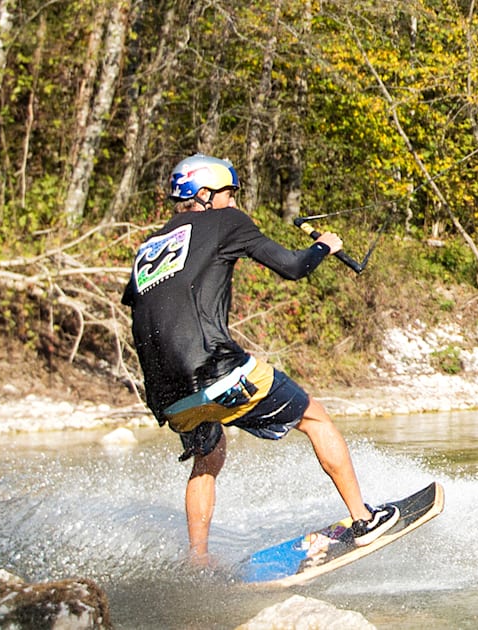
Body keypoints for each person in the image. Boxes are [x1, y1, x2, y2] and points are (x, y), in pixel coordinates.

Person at [121, 154, 398, 566]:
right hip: (217, 372)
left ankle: (197, 557)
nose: (233, 202)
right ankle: (363, 520)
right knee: (316, 418)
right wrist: (324, 245)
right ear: (204, 194)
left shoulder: (149, 248)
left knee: (207, 454)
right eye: (229, 193)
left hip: (167, 396)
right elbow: (292, 266)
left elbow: (145, 310)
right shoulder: (226, 222)